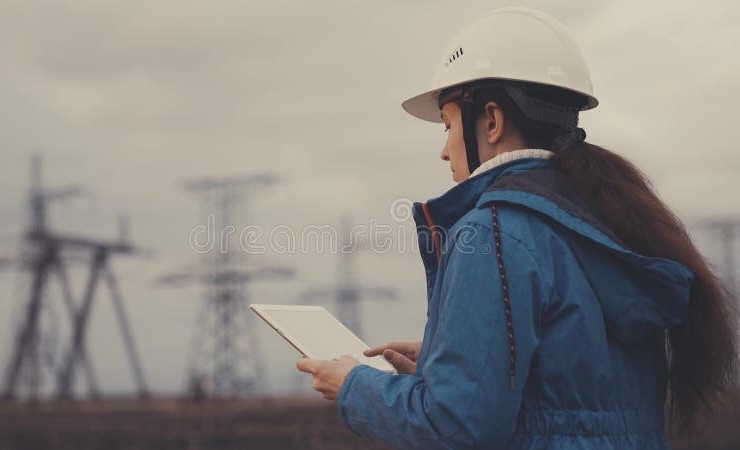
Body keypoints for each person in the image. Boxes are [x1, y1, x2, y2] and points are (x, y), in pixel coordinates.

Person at [296, 7, 737, 449]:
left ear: (491, 120)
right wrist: (445, 360)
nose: (444, 152)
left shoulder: (492, 234)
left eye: (448, 125)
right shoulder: (605, 216)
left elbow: (456, 424)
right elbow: (574, 375)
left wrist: (352, 384)